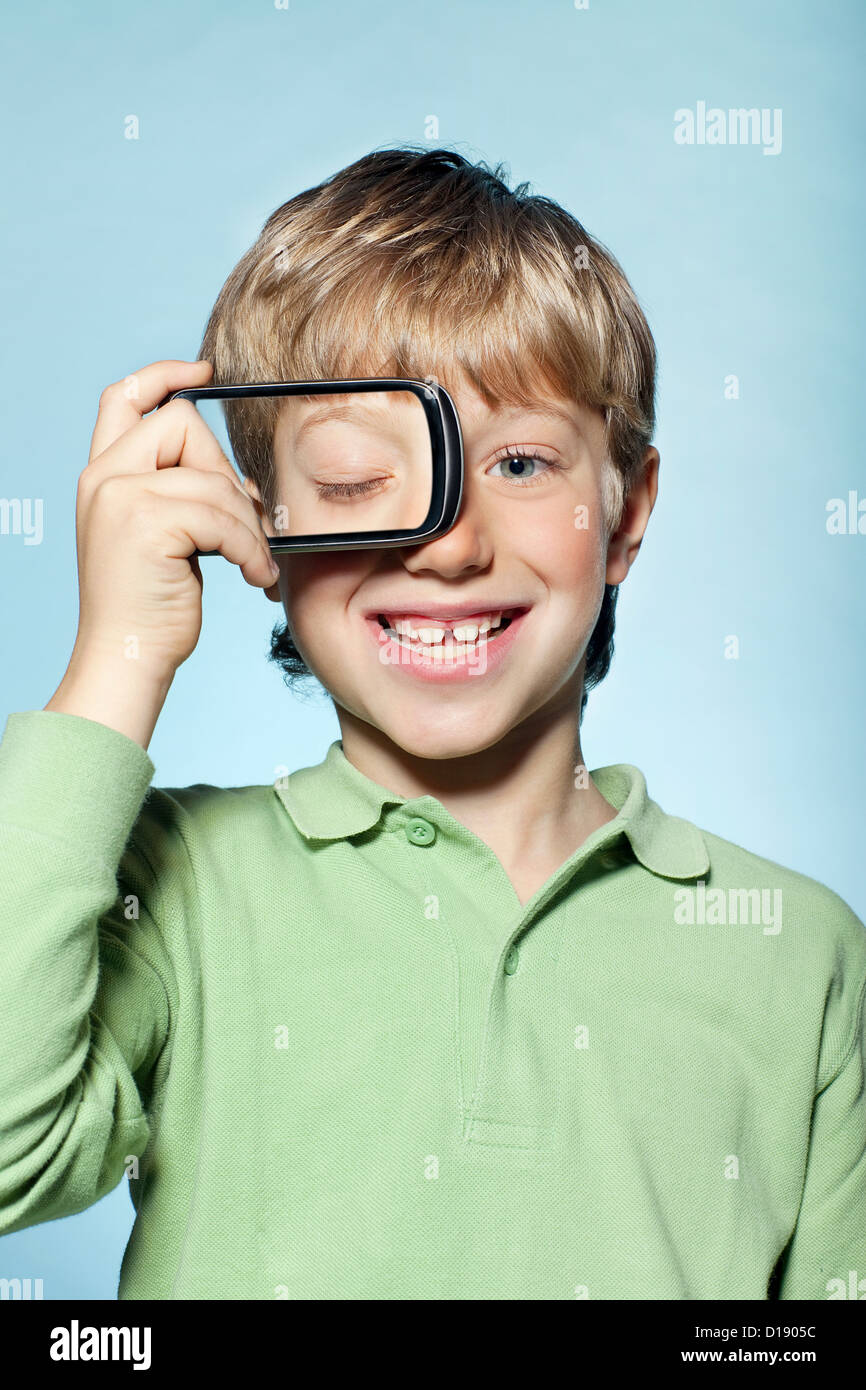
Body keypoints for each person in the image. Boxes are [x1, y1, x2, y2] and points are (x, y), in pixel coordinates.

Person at [0, 147, 863, 1300]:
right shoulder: (174, 886)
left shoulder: (797, 950)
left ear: (624, 514)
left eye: (516, 461)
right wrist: (116, 655)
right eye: (359, 478)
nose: (448, 544)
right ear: (256, 523)